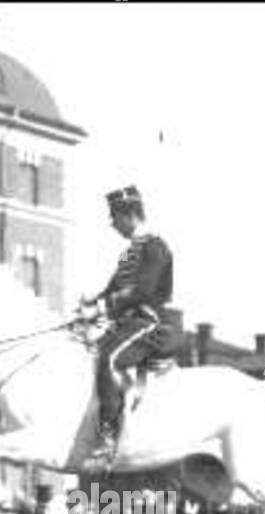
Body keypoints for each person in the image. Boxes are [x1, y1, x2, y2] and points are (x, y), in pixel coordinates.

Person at [78, 185, 175, 467]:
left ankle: (109, 435)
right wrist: (91, 304)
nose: (112, 224)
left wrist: (102, 307)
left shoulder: (155, 246)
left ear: (131, 214)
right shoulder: (128, 252)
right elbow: (114, 289)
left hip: (151, 322)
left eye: (115, 217)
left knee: (108, 357)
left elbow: (143, 290)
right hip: (128, 322)